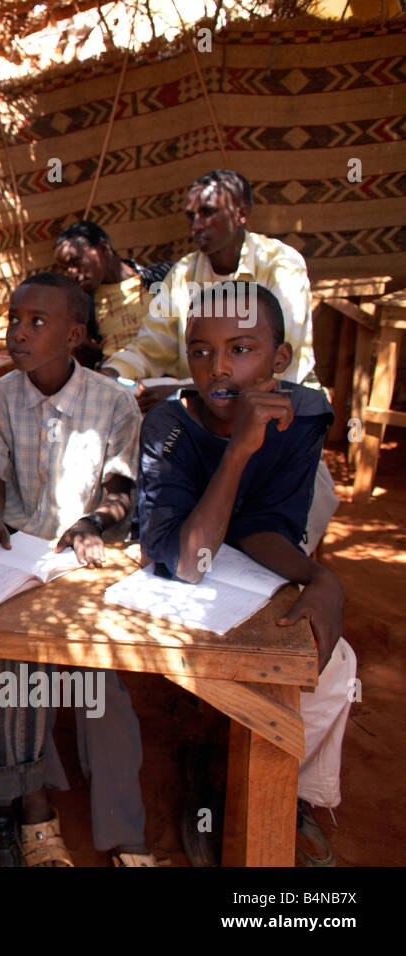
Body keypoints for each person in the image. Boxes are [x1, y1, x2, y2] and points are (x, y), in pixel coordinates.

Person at [135, 280, 355, 865]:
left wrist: (319, 577)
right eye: (200, 350)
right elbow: (188, 562)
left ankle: (284, 792)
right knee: (222, 657)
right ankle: (212, 773)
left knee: (334, 663)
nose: (217, 369)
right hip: (187, 567)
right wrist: (237, 452)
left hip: (250, 563)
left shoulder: (303, 415)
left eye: (241, 348)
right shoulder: (169, 428)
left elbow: (265, 525)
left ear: (279, 360)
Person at [0, 273, 151, 867]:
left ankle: (126, 833)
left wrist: (94, 523)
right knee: (3, 660)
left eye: (37, 322)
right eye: (14, 319)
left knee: (98, 692)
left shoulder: (113, 402)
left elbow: (120, 490)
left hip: (79, 565)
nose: (19, 331)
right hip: (15, 558)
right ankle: (35, 810)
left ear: (75, 335)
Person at [101, 170, 319, 412]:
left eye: (207, 213)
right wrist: (113, 373)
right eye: (191, 216)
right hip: (207, 404)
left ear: (241, 213)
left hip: (281, 397)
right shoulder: (184, 272)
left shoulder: (281, 264)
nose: (196, 225)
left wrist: (186, 391)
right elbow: (151, 346)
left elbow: (272, 360)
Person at [53, 219, 172, 367]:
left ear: (103, 249)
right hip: (118, 380)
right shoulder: (82, 307)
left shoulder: (161, 277)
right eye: (66, 268)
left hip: (170, 375)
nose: (72, 273)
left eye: (76, 261)